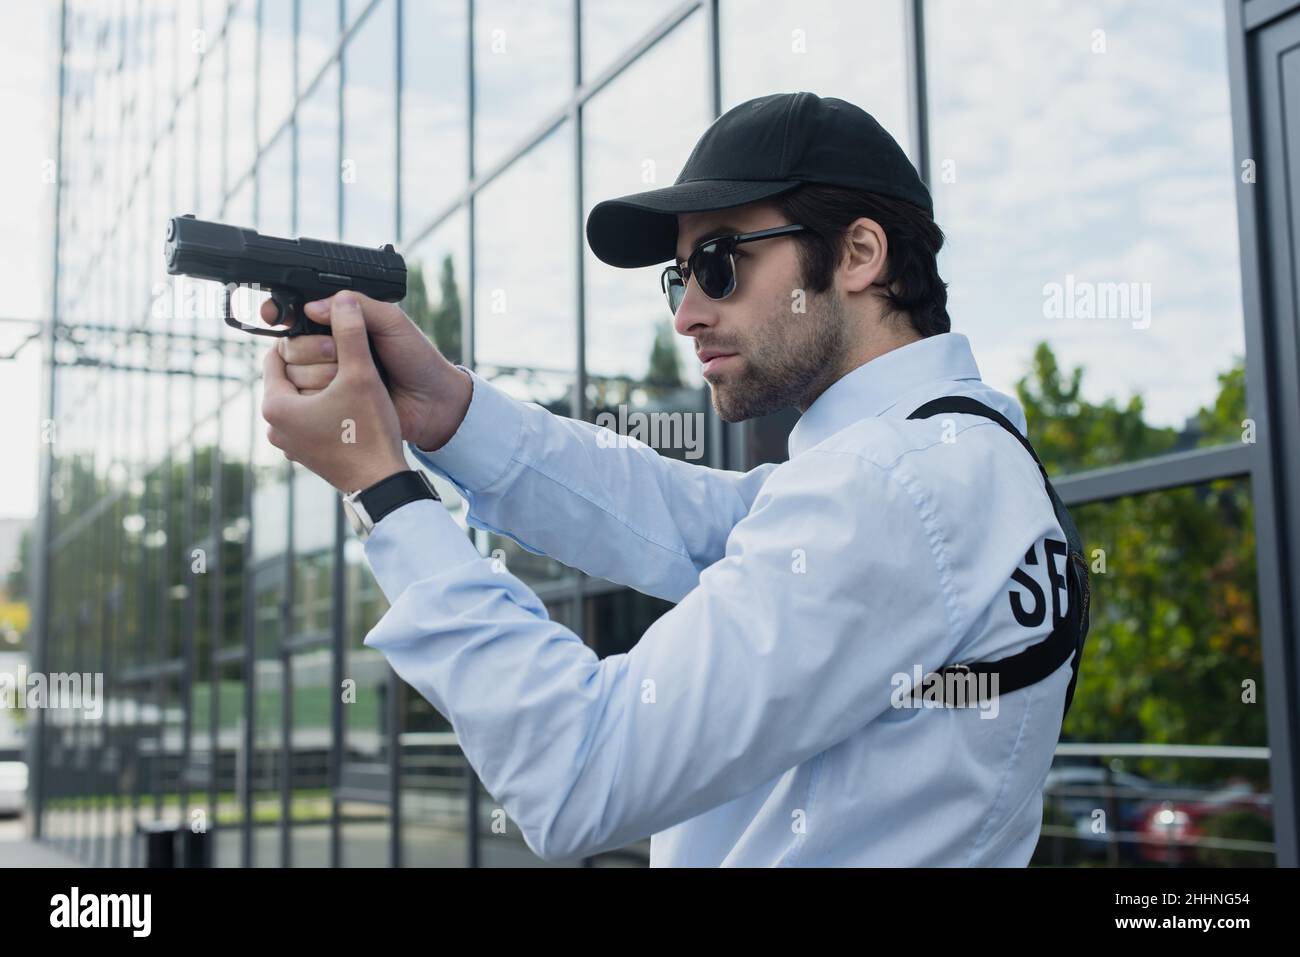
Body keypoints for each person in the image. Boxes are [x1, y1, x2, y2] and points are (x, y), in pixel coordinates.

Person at [260, 91, 1087, 866]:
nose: (686, 313)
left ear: (859, 254)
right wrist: (447, 410)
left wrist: (384, 492)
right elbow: (677, 517)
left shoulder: (889, 484)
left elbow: (580, 768)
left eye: (719, 263)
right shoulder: (957, 456)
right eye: (679, 275)